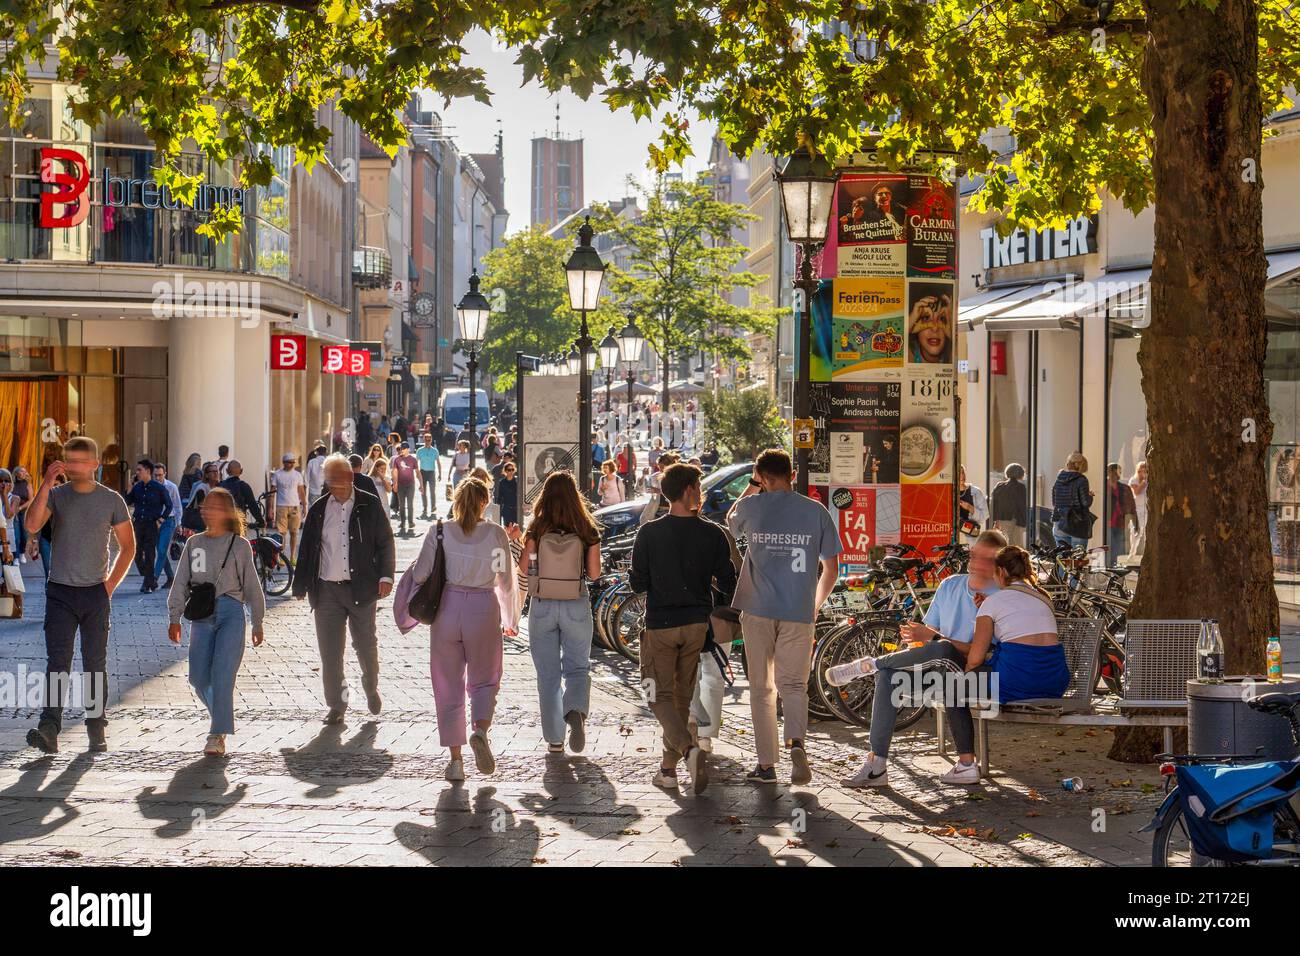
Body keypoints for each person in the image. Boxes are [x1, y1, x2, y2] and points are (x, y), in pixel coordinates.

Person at [832, 529, 1008, 788]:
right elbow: (927, 639)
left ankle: (872, 664)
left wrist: (934, 638)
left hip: (975, 676)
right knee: (889, 676)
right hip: (938, 671)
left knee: (944, 648)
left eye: (988, 560)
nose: (979, 564)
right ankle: (876, 765)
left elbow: (983, 653)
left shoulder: (1001, 596)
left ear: (998, 565)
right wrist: (920, 638)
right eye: (976, 556)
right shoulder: (950, 585)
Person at [726, 448, 840, 786]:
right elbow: (831, 569)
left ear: (762, 478)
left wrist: (752, 486)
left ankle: (766, 766)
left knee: (762, 689)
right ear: (793, 474)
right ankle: (797, 744)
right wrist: (815, 604)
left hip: (758, 609)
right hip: (798, 610)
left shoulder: (751, 506)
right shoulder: (816, 511)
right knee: (793, 685)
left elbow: (730, 523)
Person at [630, 463, 737, 794]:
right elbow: (729, 582)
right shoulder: (713, 533)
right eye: (699, 487)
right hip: (696, 625)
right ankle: (668, 770)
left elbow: (638, 584)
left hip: (661, 623)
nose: (701, 493)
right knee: (680, 697)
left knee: (655, 694)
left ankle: (688, 750)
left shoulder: (649, 533)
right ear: (689, 490)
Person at [23, 437, 135, 754]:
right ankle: (49, 729)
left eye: (79, 460)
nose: (72, 466)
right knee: (57, 662)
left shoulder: (111, 500)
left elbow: (128, 547)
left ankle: (96, 727)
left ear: (95, 465)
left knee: (94, 663)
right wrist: (46, 483)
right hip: (60, 591)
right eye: (68, 460)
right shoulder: (57, 495)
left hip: (95, 593)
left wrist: (109, 586)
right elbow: (32, 524)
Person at [412, 477, 519, 781]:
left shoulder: (439, 531)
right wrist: (510, 620)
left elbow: (420, 574)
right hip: (483, 608)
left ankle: (456, 761)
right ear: (485, 502)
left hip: (447, 609)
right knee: (485, 679)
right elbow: (505, 581)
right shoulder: (496, 534)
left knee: (447, 685)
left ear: (456, 500)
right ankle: (481, 730)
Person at [292, 454, 396, 724]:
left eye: (337, 478)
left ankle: (370, 686)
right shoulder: (318, 509)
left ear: (350, 477)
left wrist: (386, 576)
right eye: (329, 479)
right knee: (330, 652)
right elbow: (307, 548)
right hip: (326, 590)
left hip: (362, 589)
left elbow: (385, 542)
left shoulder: (369, 504)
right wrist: (300, 583)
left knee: (365, 645)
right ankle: (338, 704)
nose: (333, 484)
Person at [166, 487, 266, 756]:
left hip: (231, 613)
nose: (206, 511)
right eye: (205, 506)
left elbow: (252, 586)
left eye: (213, 506)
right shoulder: (194, 543)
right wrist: (174, 617)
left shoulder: (239, 545)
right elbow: (181, 582)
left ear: (226, 512)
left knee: (222, 676)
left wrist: (257, 621)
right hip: (201, 614)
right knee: (198, 678)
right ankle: (222, 718)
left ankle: (217, 734)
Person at [509, 471, 602, 754]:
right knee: (578, 667)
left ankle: (555, 740)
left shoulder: (538, 527)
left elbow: (524, 569)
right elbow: (594, 574)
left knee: (548, 676)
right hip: (575, 602)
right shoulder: (586, 529)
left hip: (543, 603)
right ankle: (575, 711)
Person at [125, 458, 173, 593]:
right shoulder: (137, 487)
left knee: (150, 553)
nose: (137, 472)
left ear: (147, 471)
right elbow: (127, 501)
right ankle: (149, 578)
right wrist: (130, 486)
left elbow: (169, 505)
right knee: (137, 553)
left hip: (152, 524)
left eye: (139, 470)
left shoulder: (159, 488)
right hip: (138, 524)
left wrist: (161, 520)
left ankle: (147, 584)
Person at [1051, 452, 1094, 548]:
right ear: (1083, 465)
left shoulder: (1059, 479)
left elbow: (1054, 502)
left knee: (1063, 556)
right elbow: (1085, 503)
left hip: (1059, 522)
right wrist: (1090, 496)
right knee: (1077, 556)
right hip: (1077, 524)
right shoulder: (1082, 480)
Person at [270, 452, 307, 561]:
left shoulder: (297, 475)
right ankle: (282, 557)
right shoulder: (277, 474)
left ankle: (292, 556)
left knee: (294, 532)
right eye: (289, 462)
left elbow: (301, 491)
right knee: (282, 533)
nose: (291, 464)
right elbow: (272, 493)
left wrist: (304, 505)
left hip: (294, 506)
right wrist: (270, 508)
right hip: (281, 506)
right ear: (284, 462)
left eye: (293, 462)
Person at [152, 462, 182, 589]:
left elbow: (177, 506)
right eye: (155, 475)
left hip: (168, 521)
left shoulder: (171, 487)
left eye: (160, 475)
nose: (158, 478)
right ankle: (170, 577)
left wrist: (179, 524)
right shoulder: (151, 486)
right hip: (154, 522)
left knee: (162, 550)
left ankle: (153, 579)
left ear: (165, 474)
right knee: (160, 551)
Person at [1105, 462, 1138, 566]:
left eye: (1118, 472)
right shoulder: (1104, 487)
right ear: (1108, 472)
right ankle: (1109, 568)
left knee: (1119, 550)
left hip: (1120, 523)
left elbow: (1132, 506)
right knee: (1108, 549)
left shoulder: (1124, 488)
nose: (1116, 475)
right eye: (1113, 472)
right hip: (1107, 524)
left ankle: (1116, 570)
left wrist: (1135, 523)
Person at [989, 463, 1029, 548]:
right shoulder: (1020, 487)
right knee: (1016, 545)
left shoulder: (999, 485)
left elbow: (993, 503)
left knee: (1005, 543)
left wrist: (995, 520)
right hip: (1015, 520)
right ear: (1020, 473)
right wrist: (1025, 521)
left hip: (1002, 520)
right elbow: (1022, 505)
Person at [218, 460, 265, 528]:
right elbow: (252, 505)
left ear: (227, 471)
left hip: (221, 523)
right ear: (241, 471)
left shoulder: (220, 485)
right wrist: (261, 522)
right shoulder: (243, 486)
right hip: (238, 524)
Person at [391, 442, 420, 535]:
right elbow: (395, 472)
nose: (402, 450)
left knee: (410, 504)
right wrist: (395, 484)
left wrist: (421, 484)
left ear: (408, 449)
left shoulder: (413, 459)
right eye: (401, 448)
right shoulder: (397, 459)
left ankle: (411, 522)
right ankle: (403, 522)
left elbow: (417, 472)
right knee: (402, 505)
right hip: (400, 485)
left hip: (410, 484)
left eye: (404, 448)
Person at [416, 432, 442, 520]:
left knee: (432, 491)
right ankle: (424, 509)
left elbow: (438, 462)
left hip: (431, 473)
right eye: (426, 440)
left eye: (429, 440)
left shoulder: (435, 451)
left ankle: (433, 508)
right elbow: (416, 463)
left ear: (431, 440)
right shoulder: (419, 450)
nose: (427, 442)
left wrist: (440, 474)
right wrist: (417, 474)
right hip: (422, 472)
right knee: (423, 491)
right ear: (424, 440)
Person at [957, 465, 988, 533]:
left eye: (963, 472)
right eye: (959, 473)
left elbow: (984, 516)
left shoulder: (976, 492)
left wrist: (970, 508)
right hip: (952, 535)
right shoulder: (948, 492)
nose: (962, 476)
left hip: (970, 535)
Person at [10, 465, 32, 561]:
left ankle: (22, 552)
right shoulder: (11, 484)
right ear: (16, 473)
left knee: (24, 535)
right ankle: (16, 556)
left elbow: (31, 500)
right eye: (22, 471)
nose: (24, 473)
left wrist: (20, 507)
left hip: (24, 512)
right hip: (13, 512)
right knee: (16, 535)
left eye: (25, 471)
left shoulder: (28, 484)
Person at [1128, 460, 1149, 557]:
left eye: (1144, 471)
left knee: (1146, 531)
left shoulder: (1149, 481)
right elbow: (1136, 491)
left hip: (1146, 509)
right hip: (1136, 509)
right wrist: (1143, 482)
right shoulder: (1134, 480)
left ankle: (1146, 552)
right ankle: (1132, 552)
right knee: (1136, 532)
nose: (1142, 473)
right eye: (1141, 471)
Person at [494, 460, 519, 527]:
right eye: (509, 470)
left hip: (516, 509)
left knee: (516, 528)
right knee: (507, 528)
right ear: (505, 471)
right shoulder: (502, 482)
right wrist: (497, 507)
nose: (511, 471)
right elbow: (500, 495)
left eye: (512, 469)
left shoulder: (517, 481)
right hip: (507, 509)